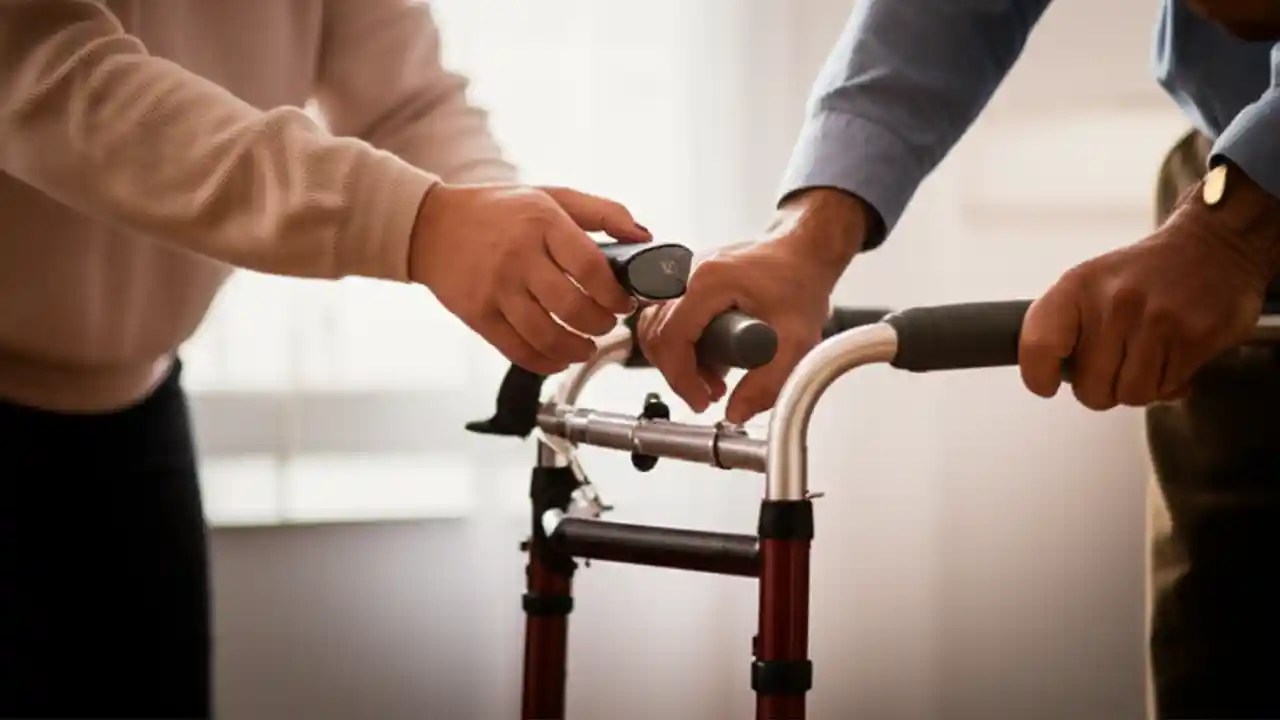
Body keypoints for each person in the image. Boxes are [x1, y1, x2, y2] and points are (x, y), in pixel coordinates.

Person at [0, 2, 649, 717]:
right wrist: (423, 222)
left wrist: (515, 232)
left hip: (137, 415)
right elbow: (56, 79)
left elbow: (405, 102)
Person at [639, 1, 1280, 717]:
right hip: (1226, 164)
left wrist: (1236, 225)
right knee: (1225, 653)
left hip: (1241, 200)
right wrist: (808, 235)